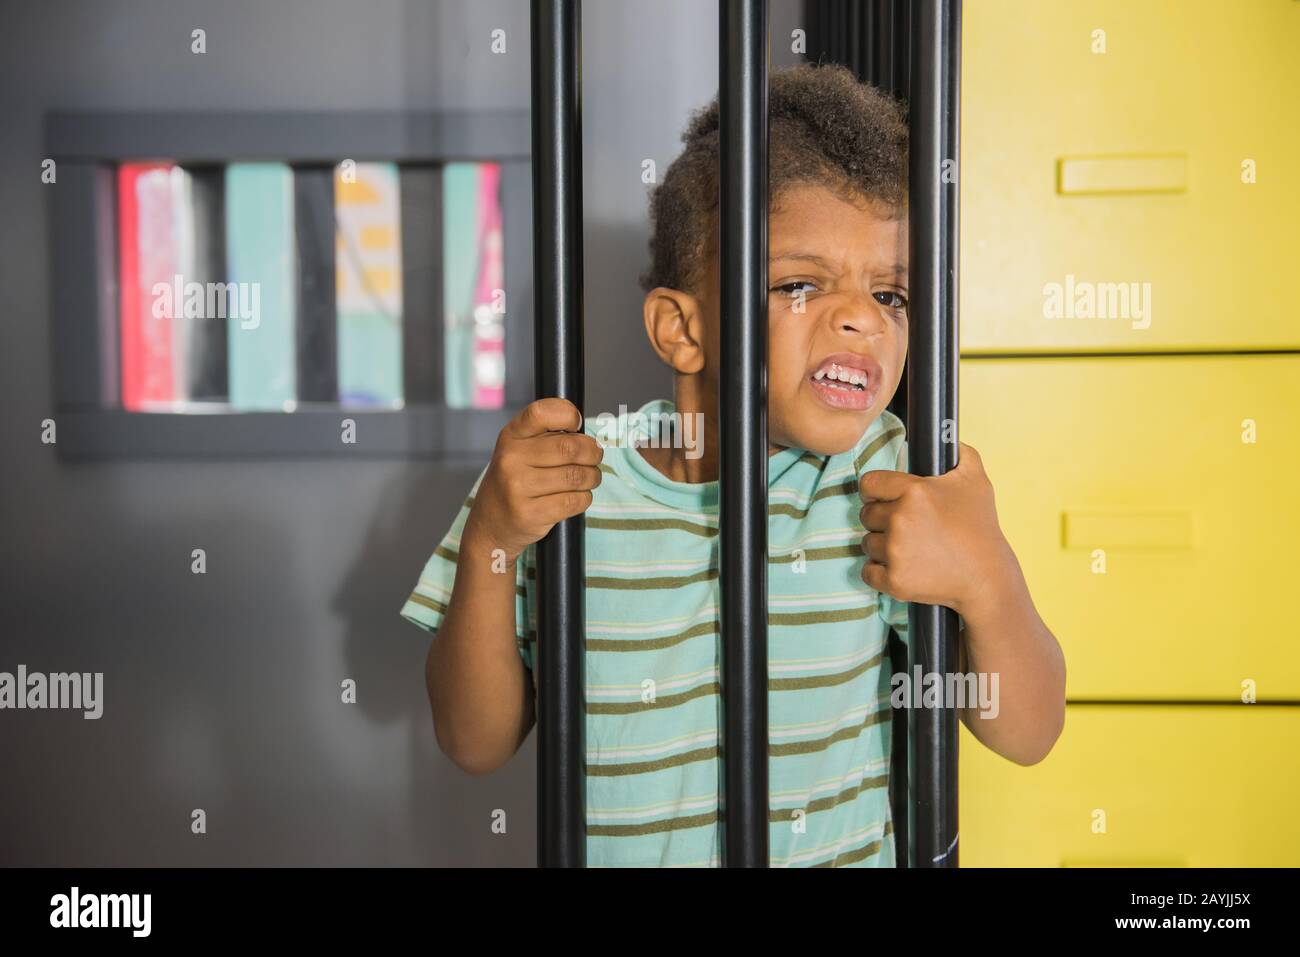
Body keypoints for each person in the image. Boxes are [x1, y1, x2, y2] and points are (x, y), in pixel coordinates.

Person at [401, 63, 1066, 867]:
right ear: (682, 331)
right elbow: (475, 741)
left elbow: (1028, 730)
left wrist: (987, 579)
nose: (861, 317)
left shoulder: (879, 475)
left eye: (890, 294)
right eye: (798, 283)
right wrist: (490, 543)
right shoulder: (566, 480)